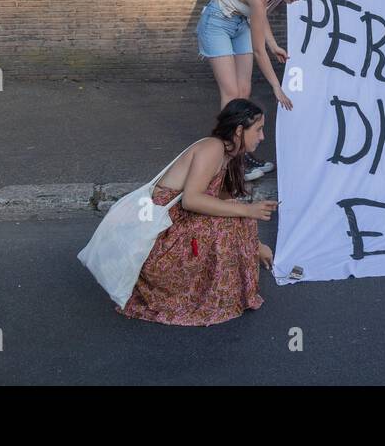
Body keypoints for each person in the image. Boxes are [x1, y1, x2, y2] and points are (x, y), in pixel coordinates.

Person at [119, 99, 279, 326]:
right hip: (161, 236)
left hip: (175, 224)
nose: (262, 137)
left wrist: (257, 245)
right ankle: (209, 296)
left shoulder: (229, 156)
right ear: (240, 130)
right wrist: (247, 209)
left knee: (238, 215)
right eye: (259, 129)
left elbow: (224, 204)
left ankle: (223, 294)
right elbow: (191, 200)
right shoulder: (213, 148)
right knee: (234, 218)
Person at [196, 0, 309, 180]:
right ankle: (228, 160)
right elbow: (259, 51)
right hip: (217, 22)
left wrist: (274, 44)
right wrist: (276, 87)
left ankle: (241, 153)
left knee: (244, 93)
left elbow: (261, 19)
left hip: (241, 24)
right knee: (231, 94)